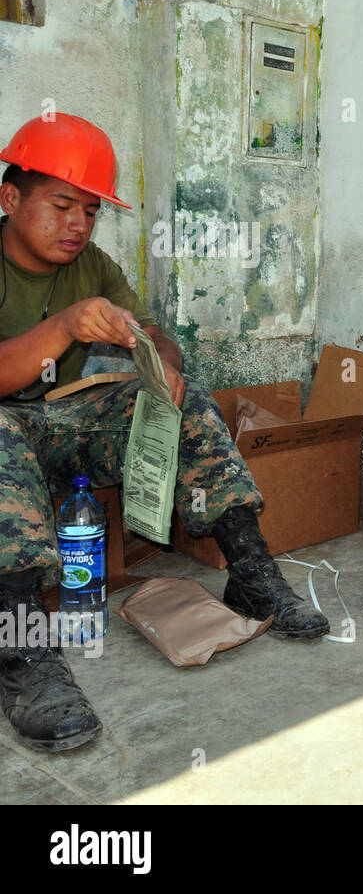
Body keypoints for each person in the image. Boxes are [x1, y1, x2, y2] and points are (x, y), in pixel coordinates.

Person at [0, 113, 327, 753]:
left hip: (62, 424)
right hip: (6, 436)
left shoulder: (92, 263)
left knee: (189, 403)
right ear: (10, 198)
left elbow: (151, 332)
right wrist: (65, 326)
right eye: (63, 205)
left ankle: (253, 574)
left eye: (91, 212)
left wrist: (164, 368)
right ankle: (22, 656)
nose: (78, 225)